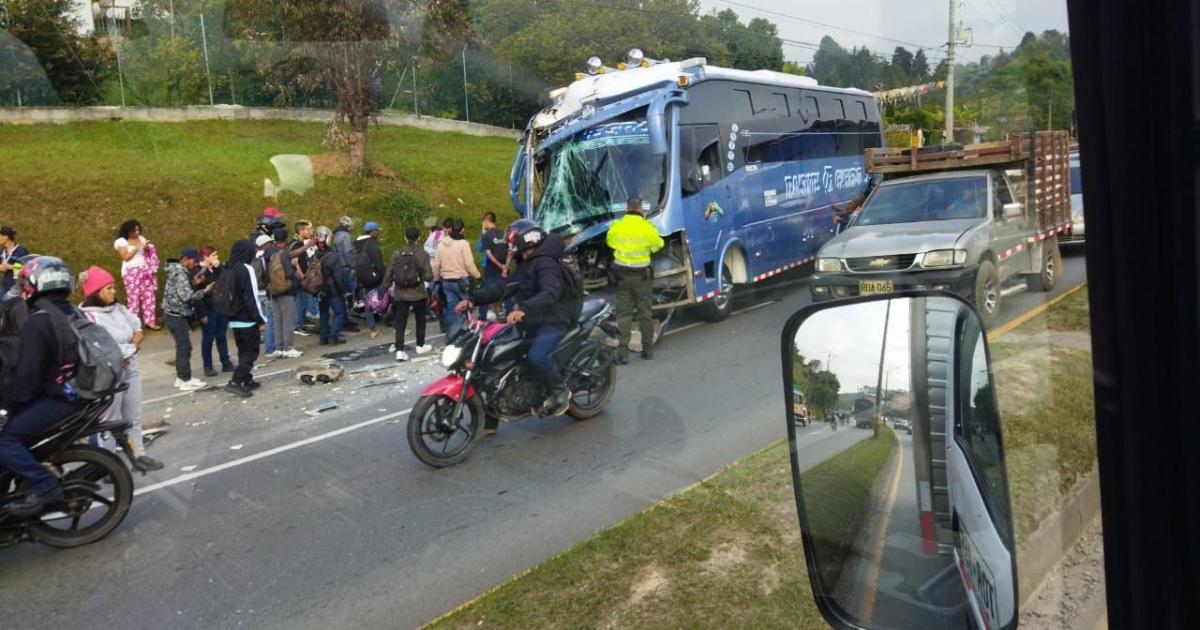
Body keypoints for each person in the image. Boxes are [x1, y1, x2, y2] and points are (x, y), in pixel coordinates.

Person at [456, 220, 579, 418]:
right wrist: (473, 300)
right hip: (533, 318)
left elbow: (551, 292)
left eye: (512, 243)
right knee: (498, 353)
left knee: (537, 356)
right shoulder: (525, 264)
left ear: (525, 241)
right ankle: (498, 407)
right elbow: (503, 288)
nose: (510, 248)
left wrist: (524, 308)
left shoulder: (546, 263)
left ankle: (560, 390)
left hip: (555, 318)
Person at [0, 256, 84, 516]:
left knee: (4, 439)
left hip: (60, 398)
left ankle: (44, 484)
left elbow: (28, 376)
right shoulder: (72, 312)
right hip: (74, 391)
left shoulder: (39, 321)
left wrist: (7, 408)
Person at [78, 266, 163, 472]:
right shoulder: (86, 316)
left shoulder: (119, 308)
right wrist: (124, 351)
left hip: (129, 367)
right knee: (108, 421)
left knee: (133, 415)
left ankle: (138, 455)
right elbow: (96, 348)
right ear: (95, 291)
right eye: (108, 288)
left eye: (113, 287)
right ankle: (106, 466)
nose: (114, 291)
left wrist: (130, 347)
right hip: (107, 376)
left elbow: (137, 327)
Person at [606, 197, 664, 363]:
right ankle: (647, 351)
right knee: (644, 313)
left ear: (626, 208)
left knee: (623, 315)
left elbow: (610, 242)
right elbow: (658, 245)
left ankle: (623, 354)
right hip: (642, 277)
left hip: (621, 276)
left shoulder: (617, 226)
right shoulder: (647, 227)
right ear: (641, 209)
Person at [381, 227, 434, 361]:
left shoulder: (397, 253)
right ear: (419, 238)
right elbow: (429, 276)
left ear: (405, 237)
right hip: (418, 294)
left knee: (400, 323)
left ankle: (400, 350)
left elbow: (389, 274)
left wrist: (382, 290)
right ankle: (420, 345)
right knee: (420, 320)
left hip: (400, 294)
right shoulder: (423, 254)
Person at [224, 239, 268, 398]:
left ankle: (247, 379)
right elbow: (252, 297)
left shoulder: (229, 268)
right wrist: (260, 320)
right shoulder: (246, 269)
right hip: (247, 319)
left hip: (233, 318)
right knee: (251, 353)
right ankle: (236, 381)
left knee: (243, 350)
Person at [163, 248, 210, 391]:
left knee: (182, 346)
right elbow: (186, 296)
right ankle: (185, 379)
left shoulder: (174, 270)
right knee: (184, 347)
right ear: (186, 259)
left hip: (170, 314)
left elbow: (180, 291)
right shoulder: (181, 273)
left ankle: (181, 377)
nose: (195, 264)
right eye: (194, 261)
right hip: (177, 315)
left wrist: (194, 284)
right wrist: (204, 291)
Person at [432, 218, 480, 328]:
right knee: (466, 306)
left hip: (446, 281)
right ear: (462, 230)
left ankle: (453, 332)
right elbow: (469, 264)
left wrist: (436, 278)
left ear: (451, 229)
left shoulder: (441, 244)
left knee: (452, 307)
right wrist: (477, 275)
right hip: (462, 282)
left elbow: (436, 265)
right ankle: (466, 330)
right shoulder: (463, 243)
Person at [194, 246, 234, 377]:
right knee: (208, 338)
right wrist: (201, 314)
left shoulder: (216, 269)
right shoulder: (199, 271)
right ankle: (208, 366)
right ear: (206, 257)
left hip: (220, 306)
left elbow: (225, 278)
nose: (217, 258)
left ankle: (226, 361)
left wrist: (218, 267)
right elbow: (196, 293)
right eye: (214, 256)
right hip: (207, 308)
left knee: (221, 336)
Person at [114, 218, 160, 330]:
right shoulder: (121, 241)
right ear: (127, 231)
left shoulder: (141, 238)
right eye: (134, 231)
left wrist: (148, 248)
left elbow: (146, 253)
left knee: (149, 296)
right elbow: (125, 257)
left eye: (138, 230)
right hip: (131, 272)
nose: (137, 233)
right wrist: (137, 248)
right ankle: (134, 325)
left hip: (145, 271)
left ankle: (150, 321)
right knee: (133, 298)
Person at [268, 228, 303, 359]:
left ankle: (279, 348)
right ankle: (288, 347)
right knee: (288, 320)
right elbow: (289, 274)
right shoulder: (284, 254)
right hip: (286, 291)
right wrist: (294, 266)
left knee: (277, 320)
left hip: (273, 290)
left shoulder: (269, 253)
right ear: (286, 239)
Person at [314, 226, 349, 346]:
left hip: (319, 288)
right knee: (339, 313)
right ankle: (333, 337)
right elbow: (338, 277)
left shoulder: (315, 254)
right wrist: (343, 290)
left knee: (324, 313)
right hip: (332, 289)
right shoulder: (333, 256)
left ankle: (323, 338)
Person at [354, 221, 386, 339]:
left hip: (363, 277)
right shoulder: (372, 244)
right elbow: (378, 263)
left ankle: (372, 327)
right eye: (377, 230)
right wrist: (384, 276)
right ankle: (392, 322)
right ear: (372, 232)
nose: (378, 233)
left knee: (368, 300)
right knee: (386, 297)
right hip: (375, 277)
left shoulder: (357, 243)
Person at [477, 212, 510, 319]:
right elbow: (509, 250)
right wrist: (505, 266)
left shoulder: (486, 235)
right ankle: (509, 313)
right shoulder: (503, 233)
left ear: (486, 222)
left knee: (486, 292)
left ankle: (482, 317)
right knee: (506, 292)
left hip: (491, 269)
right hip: (504, 268)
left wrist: (482, 232)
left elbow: (481, 249)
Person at [288, 221, 318, 336]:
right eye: (308, 230)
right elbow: (294, 262)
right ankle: (297, 326)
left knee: (303, 302)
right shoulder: (296, 244)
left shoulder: (299, 243)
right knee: (299, 303)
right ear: (301, 231)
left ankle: (302, 322)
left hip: (301, 279)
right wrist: (302, 276)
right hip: (297, 280)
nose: (311, 232)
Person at [331, 216, 360, 332]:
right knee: (349, 295)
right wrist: (353, 266)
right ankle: (346, 320)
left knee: (342, 295)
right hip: (346, 268)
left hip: (338, 267)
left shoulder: (335, 236)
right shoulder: (346, 236)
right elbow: (348, 252)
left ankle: (344, 319)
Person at [252, 234, 278, 358]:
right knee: (269, 321)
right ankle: (270, 349)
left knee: (262, 320)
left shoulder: (251, 258)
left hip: (256, 293)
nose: (272, 245)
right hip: (265, 292)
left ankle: (264, 345)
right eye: (270, 243)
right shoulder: (264, 258)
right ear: (265, 244)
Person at [0, 226, 29, 296]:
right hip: (6, 286)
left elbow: (28, 268)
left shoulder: (21, 251)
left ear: (6, 237)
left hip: (18, 288)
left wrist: (11, 267)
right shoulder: (2, 251)